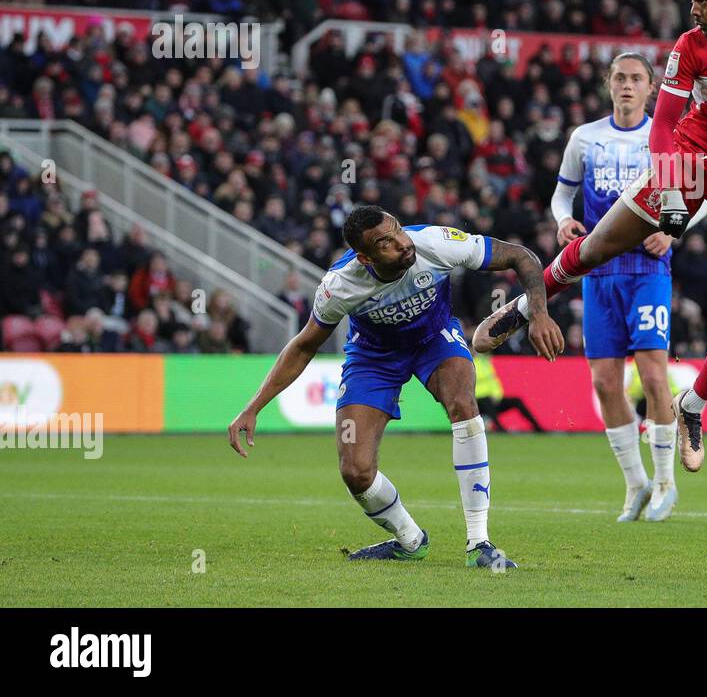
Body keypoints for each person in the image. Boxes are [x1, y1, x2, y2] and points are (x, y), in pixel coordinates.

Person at [474, 0, 707, 474]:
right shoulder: (690, 47)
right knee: (597, 247)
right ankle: (523, 307)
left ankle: (692, 405)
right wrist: (672, 193)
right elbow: (664, 126)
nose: (693, 9)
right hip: (688, 164)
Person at [227, 205, 563, 569]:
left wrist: (539, 314)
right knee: (355, 471)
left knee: (464, 404)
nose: (402, 243)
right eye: (385, 242)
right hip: (374, 356)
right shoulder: (339, 286)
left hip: (434, 338)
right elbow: (304, 346)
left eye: (398, 230)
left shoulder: (436, 243)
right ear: (365, 258)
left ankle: (479, 542)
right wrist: (253, 406)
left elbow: (521, 256)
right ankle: (409, 540)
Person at [551, 52, 707, 521]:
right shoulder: (585, 138)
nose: (627, 85)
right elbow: (562, 194)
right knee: (605, 382)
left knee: (653, 376)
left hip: (647, 271)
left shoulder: (668, 138)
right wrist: (564, 221)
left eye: (636, 78)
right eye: (619, 77)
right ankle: (636, 483)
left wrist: (674, 229)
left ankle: (665, 482)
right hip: (598, 271)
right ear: (608, 84)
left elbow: (704, 194)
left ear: (650, 87)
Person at [473, 353, 545, 433]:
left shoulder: (484, 362)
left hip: (491, 399)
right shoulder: (468, 363)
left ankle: (537, 427)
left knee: (516, 401)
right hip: (476, 403)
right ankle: (500, 428)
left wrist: (497, 395)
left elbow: (493, 381)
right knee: (486, 401)